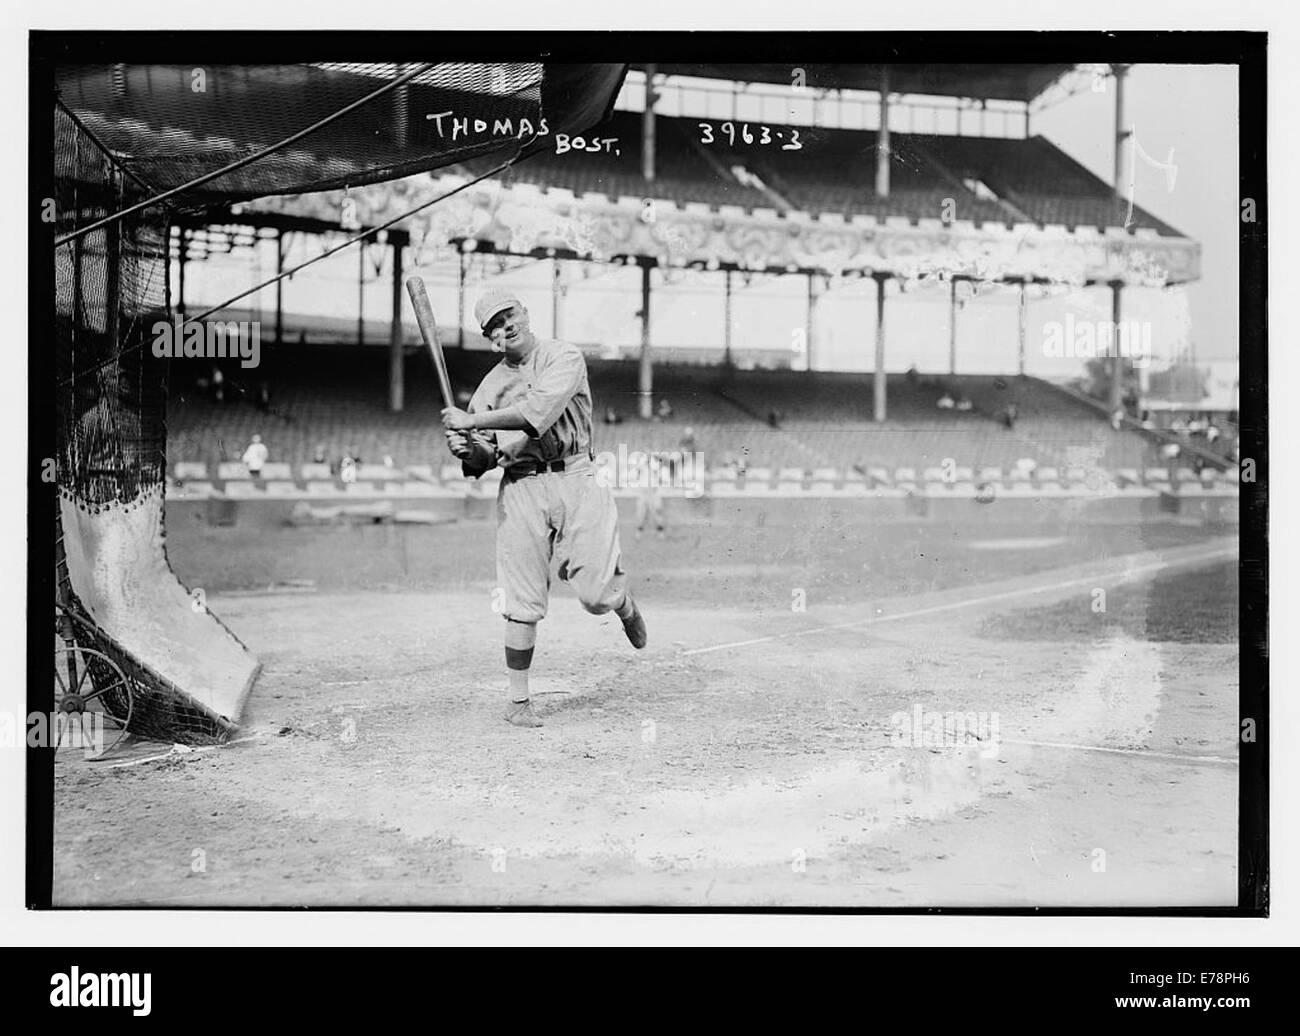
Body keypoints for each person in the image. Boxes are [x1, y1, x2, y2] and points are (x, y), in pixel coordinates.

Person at [440, 288, 647, 729]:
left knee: (595, 596)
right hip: (521, 485)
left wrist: (471, 422)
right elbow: (483, 460)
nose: (505, 327)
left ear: (525, 313)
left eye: (509, 315)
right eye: (494, 326)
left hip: (575, 476)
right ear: (490, 339)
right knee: (520, 600)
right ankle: (518, 704)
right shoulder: (489, 387)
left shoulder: (563, 357)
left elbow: (538, 412)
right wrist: (464, 447)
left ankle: (622, 602)